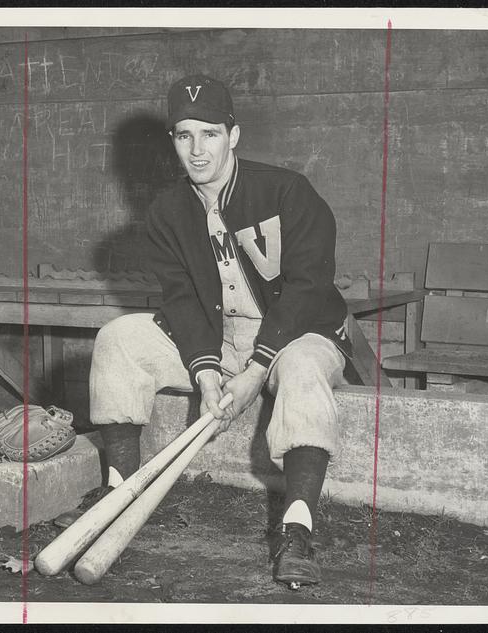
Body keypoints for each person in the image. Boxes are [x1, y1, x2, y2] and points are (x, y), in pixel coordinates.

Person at [82, 74, 351, 587]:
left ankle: (297, 530)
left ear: (234, 135)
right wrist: (206, 374)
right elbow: (181, 299)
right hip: (219, 338)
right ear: (173, 141)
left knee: (301, 368)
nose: (197, 149)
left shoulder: (287, 191)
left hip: (299, 331)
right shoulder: (167, 211)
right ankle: (115, 495)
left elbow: (308, 287)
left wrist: (256, 370)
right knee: (118, 338)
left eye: (210, 133)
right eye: (184, 135)